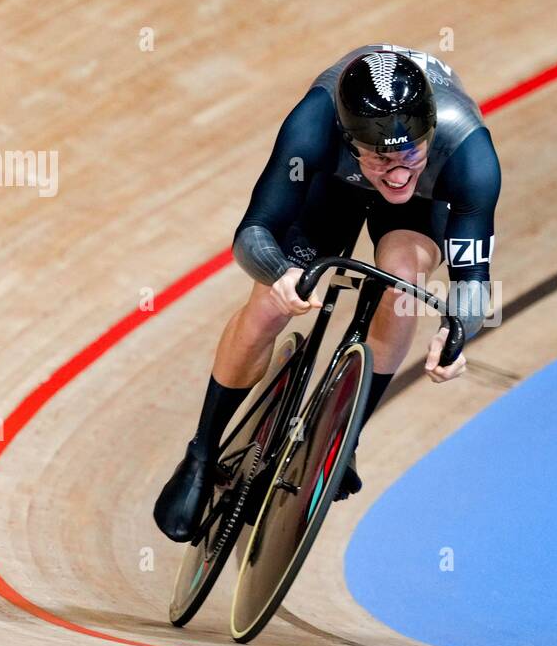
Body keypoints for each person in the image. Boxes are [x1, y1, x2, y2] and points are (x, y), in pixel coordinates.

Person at [154, 44, 501, 541]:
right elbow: (253, 234)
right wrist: (280, 272)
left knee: (405, 281)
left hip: (421, 205)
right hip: (332, 183)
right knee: (270, 307)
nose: (399, 173)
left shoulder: (468, 152)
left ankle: (346, 432)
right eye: (382, 159)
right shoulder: (314, 124)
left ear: (429, 135)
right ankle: (201, 455)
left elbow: (473, 283)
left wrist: (456, 333)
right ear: (349, 138)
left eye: (410, 154)